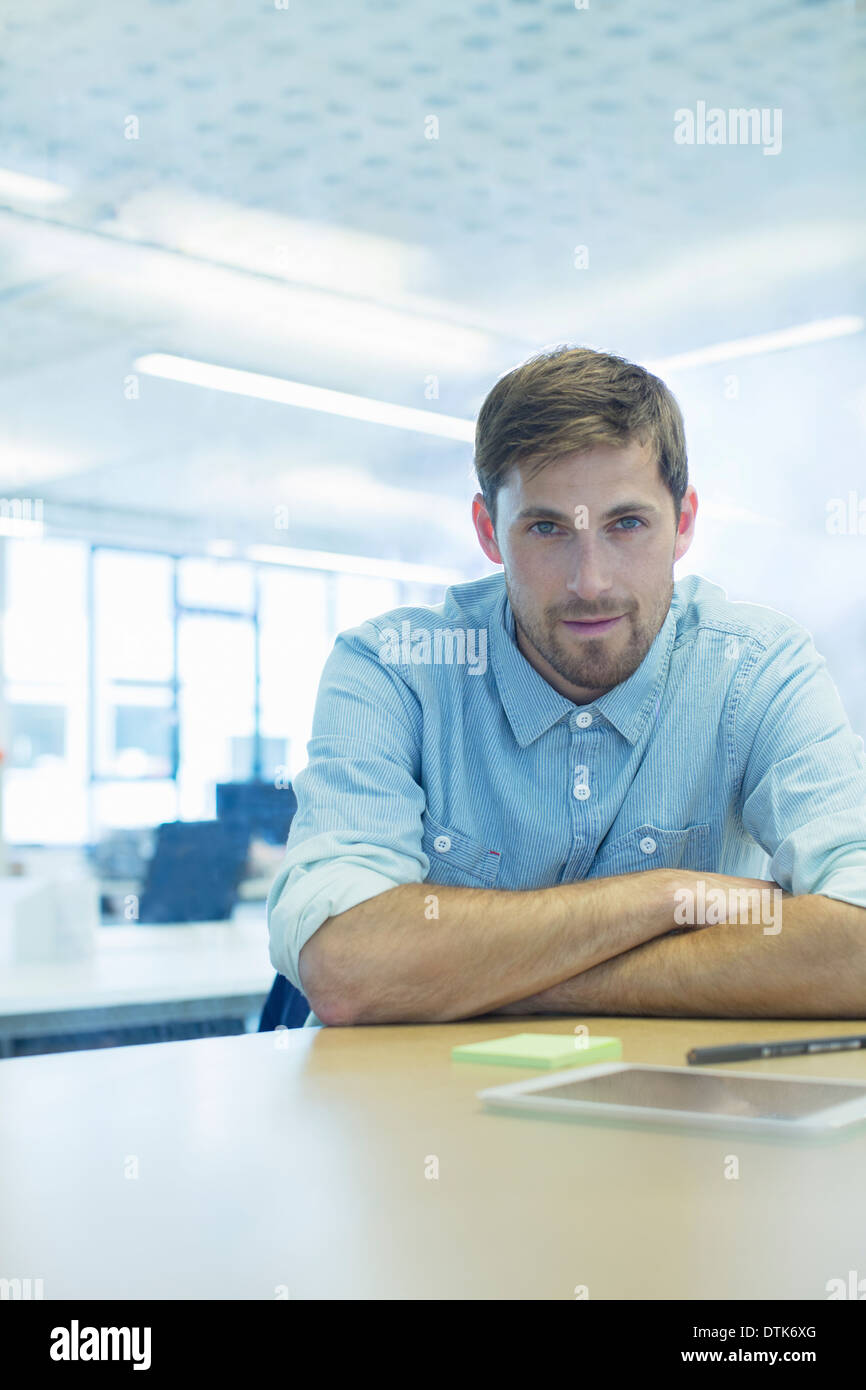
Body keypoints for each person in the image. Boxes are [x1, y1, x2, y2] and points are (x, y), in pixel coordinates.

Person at [267, 345, 866, 1026]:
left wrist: (487, 982)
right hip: (426, 1122)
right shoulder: (395, 669)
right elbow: (347, 966)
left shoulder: (757, 669)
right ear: (489, 531)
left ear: (685, 522)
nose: (591, 582)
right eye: (547, 528)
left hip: (675, 1118)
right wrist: (664, 899)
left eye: (627, 524)